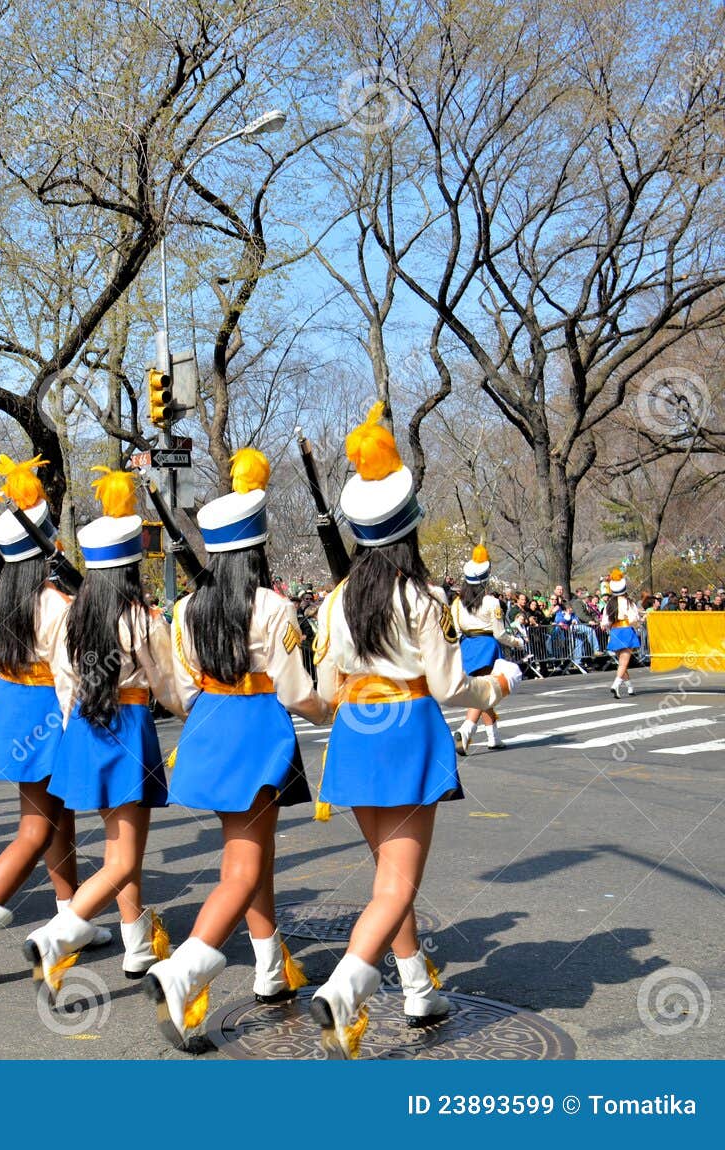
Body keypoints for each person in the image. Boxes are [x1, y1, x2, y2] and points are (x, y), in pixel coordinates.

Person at [306, 404, 520, 1059]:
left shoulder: (335, 601)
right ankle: (346, 985)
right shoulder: (425, 599)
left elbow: (323, 689)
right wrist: (502, 684)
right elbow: (453, 684)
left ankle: (417, 987)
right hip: (406, 733)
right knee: (398, 884)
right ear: (410, 529)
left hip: (354, 732)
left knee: (386, 877)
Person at [144, 449, 331, 1049]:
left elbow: (186, 683)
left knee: (251, 856)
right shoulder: (274, 607)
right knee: (245, 865)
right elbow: (298, 690)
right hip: (256, 726)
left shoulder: (186, 609)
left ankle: (271, 968)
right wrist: (339, 706)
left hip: (211, 723)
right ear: (255, 546)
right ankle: (185, 969)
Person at [22, 468, 186, 998]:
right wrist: (200, 706)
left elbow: (66, 684)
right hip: (130, 727)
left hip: (85, 731)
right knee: (122, 856)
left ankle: (137, 945)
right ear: (133, 564)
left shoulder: (72, 616)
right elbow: (169, 689)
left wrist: (77, 733)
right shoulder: (142, 617)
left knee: (122, 846)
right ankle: (58, 936)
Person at [0, 454, 105, 985]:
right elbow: (67, 680)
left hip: (11, 706)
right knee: (36, 828)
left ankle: (69, 914)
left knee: (57, 820)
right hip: (47, 714)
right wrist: (73, 729)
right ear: (48, 549)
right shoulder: (57, 603)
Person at [453, 545, 526, 753]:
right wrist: (517, 642)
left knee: (484, 692)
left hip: (467, 647)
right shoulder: (492, 602)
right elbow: (499, 634)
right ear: (485, 579)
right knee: (484, 693)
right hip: (486, 647)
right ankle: (466, 730)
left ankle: (493, 737)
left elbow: (457, 632)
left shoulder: (457, 603)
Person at [602, 569, 644, 696]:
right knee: (623, 663)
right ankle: (615, 685)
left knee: (622, 663)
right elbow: (633, 619)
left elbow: (605, 621)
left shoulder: (609, 604)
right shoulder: (629, 602)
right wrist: (639, 622)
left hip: (615, 632)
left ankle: (630, 687)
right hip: (626, 631)